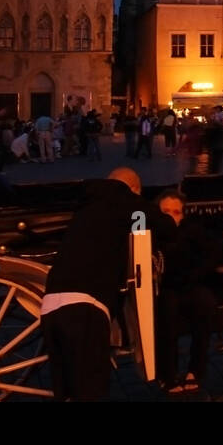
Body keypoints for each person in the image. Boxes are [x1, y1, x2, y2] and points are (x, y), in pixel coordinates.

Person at [41, 167, 157, 401]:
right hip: (87, 307)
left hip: (50, 307)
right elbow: (159, 223)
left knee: (66, 392)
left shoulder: (86, 207)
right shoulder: (124, 201)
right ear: (133, 189)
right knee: (91, 389)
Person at [152, 191, 222, 394]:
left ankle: (195, 370)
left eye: (176, 212)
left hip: (190, 284)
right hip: (165, 288)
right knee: (167, 312)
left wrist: (196, 275)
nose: (172, 216)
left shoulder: (192, 231)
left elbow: (212, 252)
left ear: (182, 215)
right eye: (166, 212)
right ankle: (168, 374)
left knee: (206, 304)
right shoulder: (151, 233)